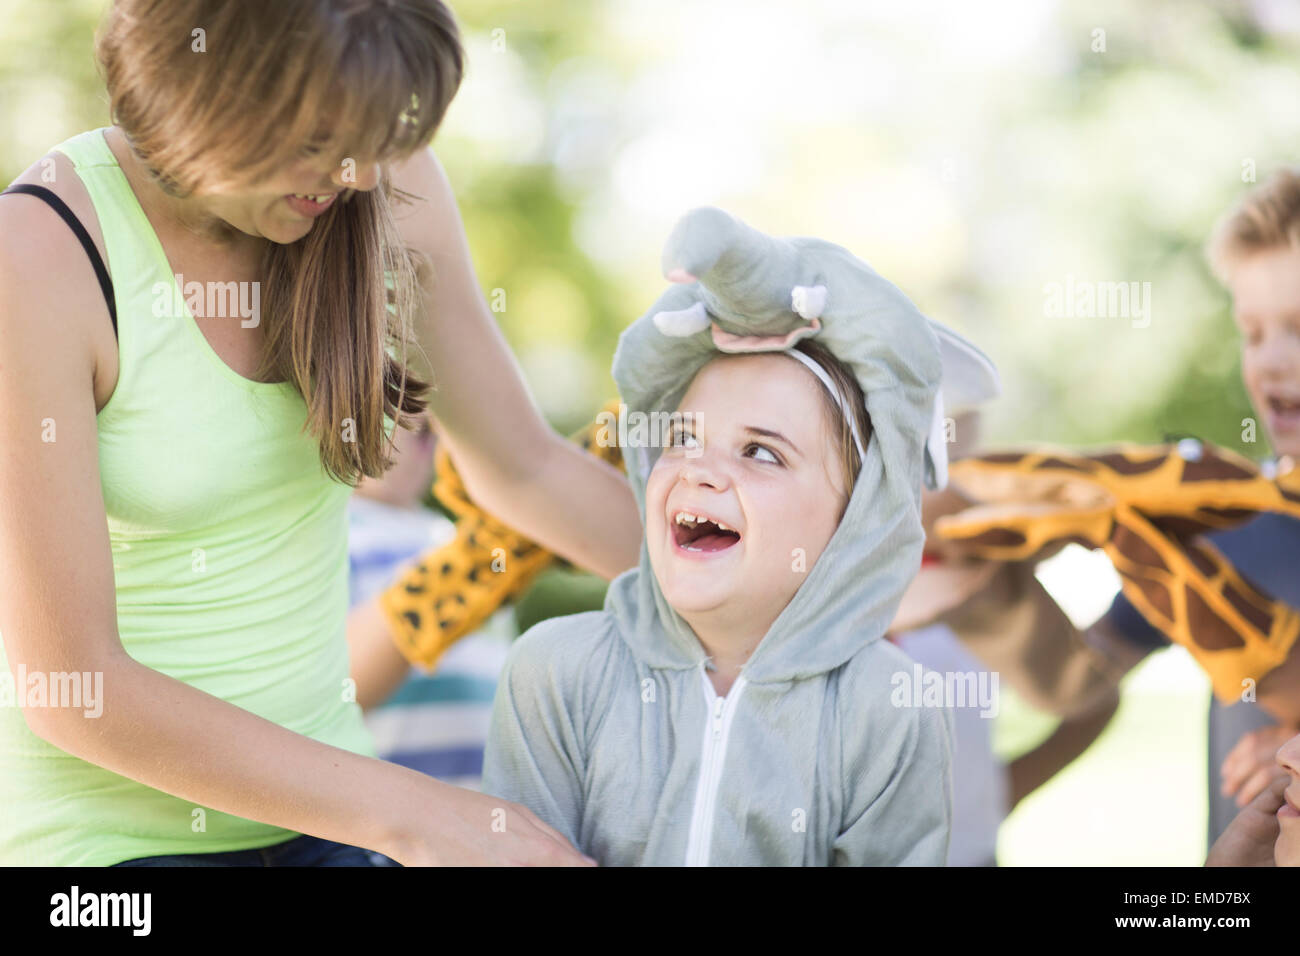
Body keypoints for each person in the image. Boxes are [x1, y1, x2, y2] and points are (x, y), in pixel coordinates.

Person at [0, 0, 641, 866]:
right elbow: (72, 687)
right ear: (207, 91)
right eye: (319, 139)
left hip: (329, 823)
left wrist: (814, 607)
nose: (364, 175)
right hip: (102, 853)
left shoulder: (380, 182)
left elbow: (523, 469)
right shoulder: (40, 256)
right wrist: (419, 817)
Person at [482, 206, 988, 865]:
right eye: (684, 438)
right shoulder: (556, 672)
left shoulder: (885, 712)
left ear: (854, 526)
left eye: (762, 452)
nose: (702, 470)